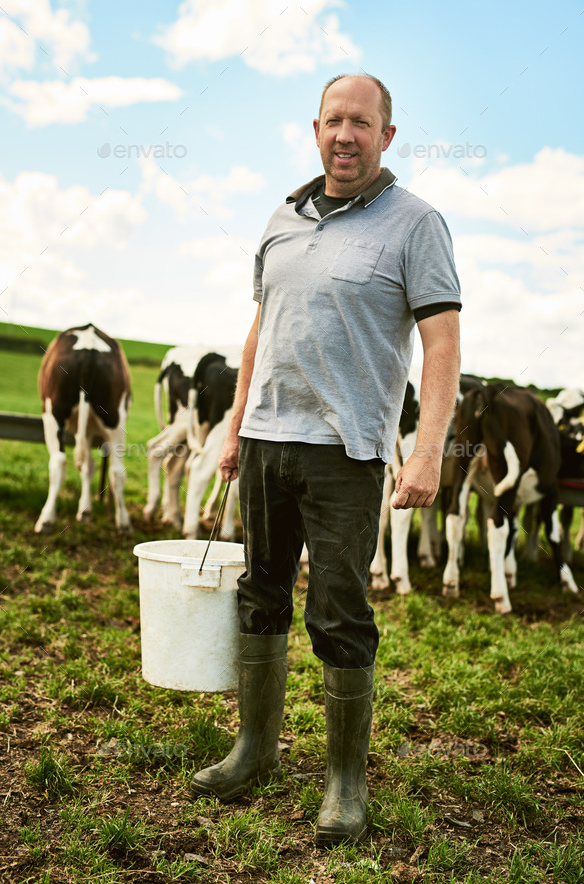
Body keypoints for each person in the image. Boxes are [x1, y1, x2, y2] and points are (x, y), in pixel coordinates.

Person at [190, 73, 461, 845]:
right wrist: (237, 426)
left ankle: (346, 781)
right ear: (315, 130)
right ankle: (254, 751)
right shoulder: (282, 216)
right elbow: (259, 331)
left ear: (386, 136)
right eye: (334, 121)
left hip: (348, 451)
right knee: (261, 593)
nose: (346, 135)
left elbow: (442, 343)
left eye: (362, 123)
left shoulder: (417, 224)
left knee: (339, 612)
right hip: (270, 442)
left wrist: (430, 450)